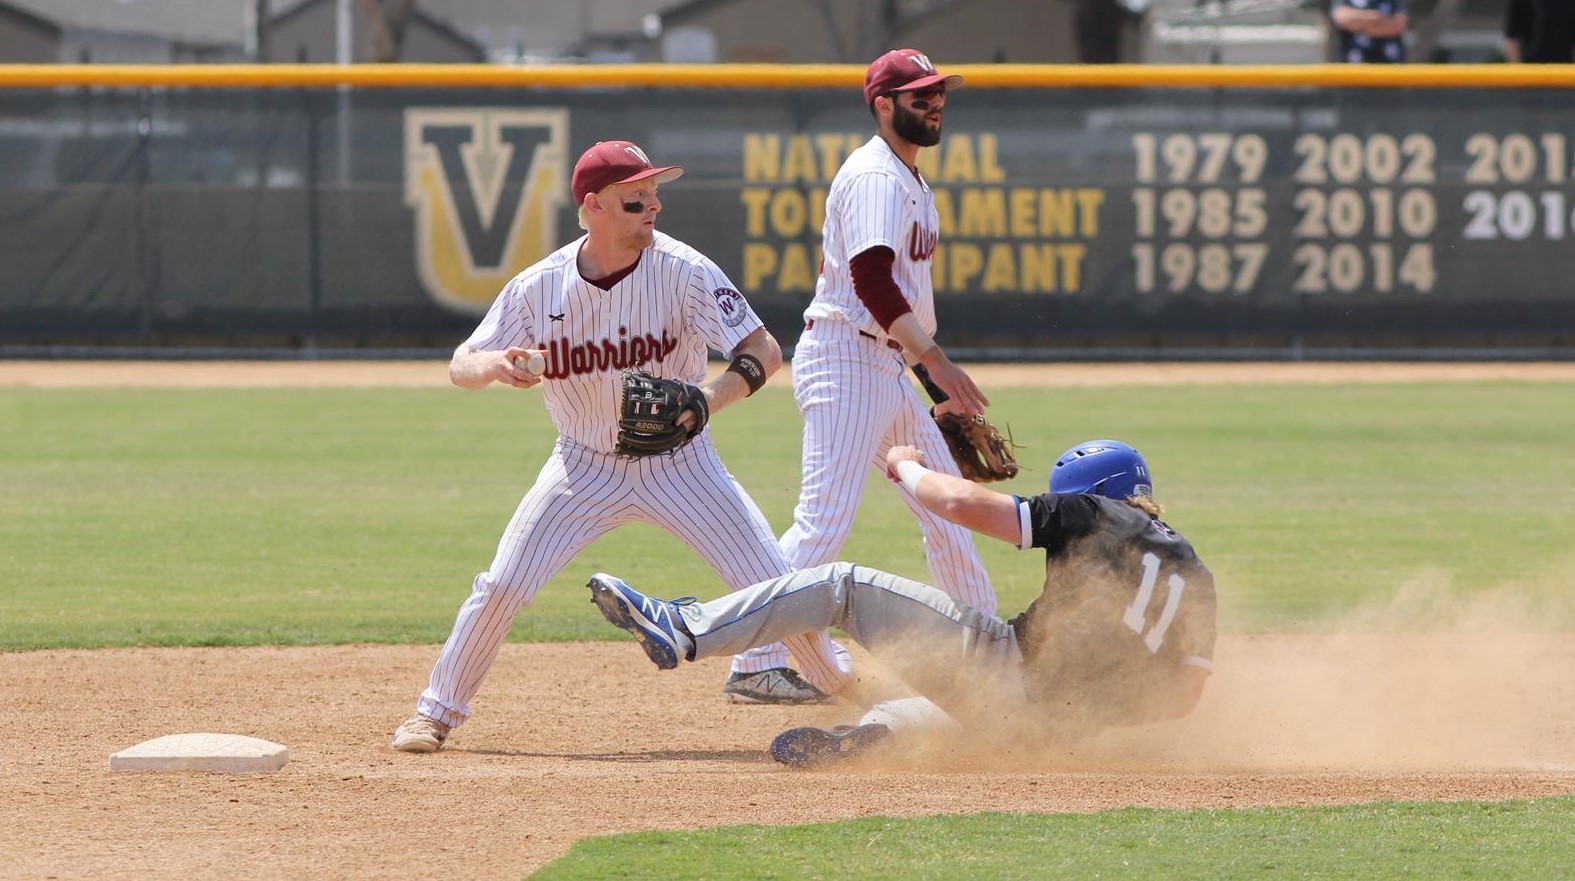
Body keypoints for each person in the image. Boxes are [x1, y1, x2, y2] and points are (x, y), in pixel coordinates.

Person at [390, 140, 854, 753]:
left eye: (655, 193)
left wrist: (707, 401)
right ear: (593, 206)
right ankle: (436, 712)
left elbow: (762, 350)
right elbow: (461, 363)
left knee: (777, 590)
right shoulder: (540, 287)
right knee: (502, 585)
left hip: (682, 464)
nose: (653, 206)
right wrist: (494, 365)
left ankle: (856, 694)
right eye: (636, 197)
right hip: (582, 468)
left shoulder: (685, 270)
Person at [588, 439, 1217, 767]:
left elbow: (961, 504)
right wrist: (1085, 712)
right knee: (928, 712)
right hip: (1050, 731)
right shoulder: (1197, 576)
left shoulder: (1092, 511)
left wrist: (906, 467)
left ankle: (685, 627)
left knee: (840, 585)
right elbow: (1183, 698)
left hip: (1004, 673)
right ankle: (869, 738)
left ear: (1091, 490)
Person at [774, 47, 998, 645]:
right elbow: (870, 279)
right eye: (921, 96)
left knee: (950, 511)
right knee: (822, 524)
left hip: (884, 363)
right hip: (846, 360)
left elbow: (897, 300)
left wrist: (930, 383)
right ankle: (754, 659)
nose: (936, 103)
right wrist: (936, 362)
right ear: (883, 104)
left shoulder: (910, 178)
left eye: (939, 93)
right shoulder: (876, 175)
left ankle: (989, 653)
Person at [1330, 0, 1408, 64]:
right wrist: (1375, 18)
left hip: (1389, 64)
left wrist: (1358, 24)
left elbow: (1398, 25)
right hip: (1352, 65)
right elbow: (1342, 18)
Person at [1503, 0, 1575, 64]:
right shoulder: (1521, 2)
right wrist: (1517, 71)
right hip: (1531, 69)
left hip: (1563, 69)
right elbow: (1512, 40)